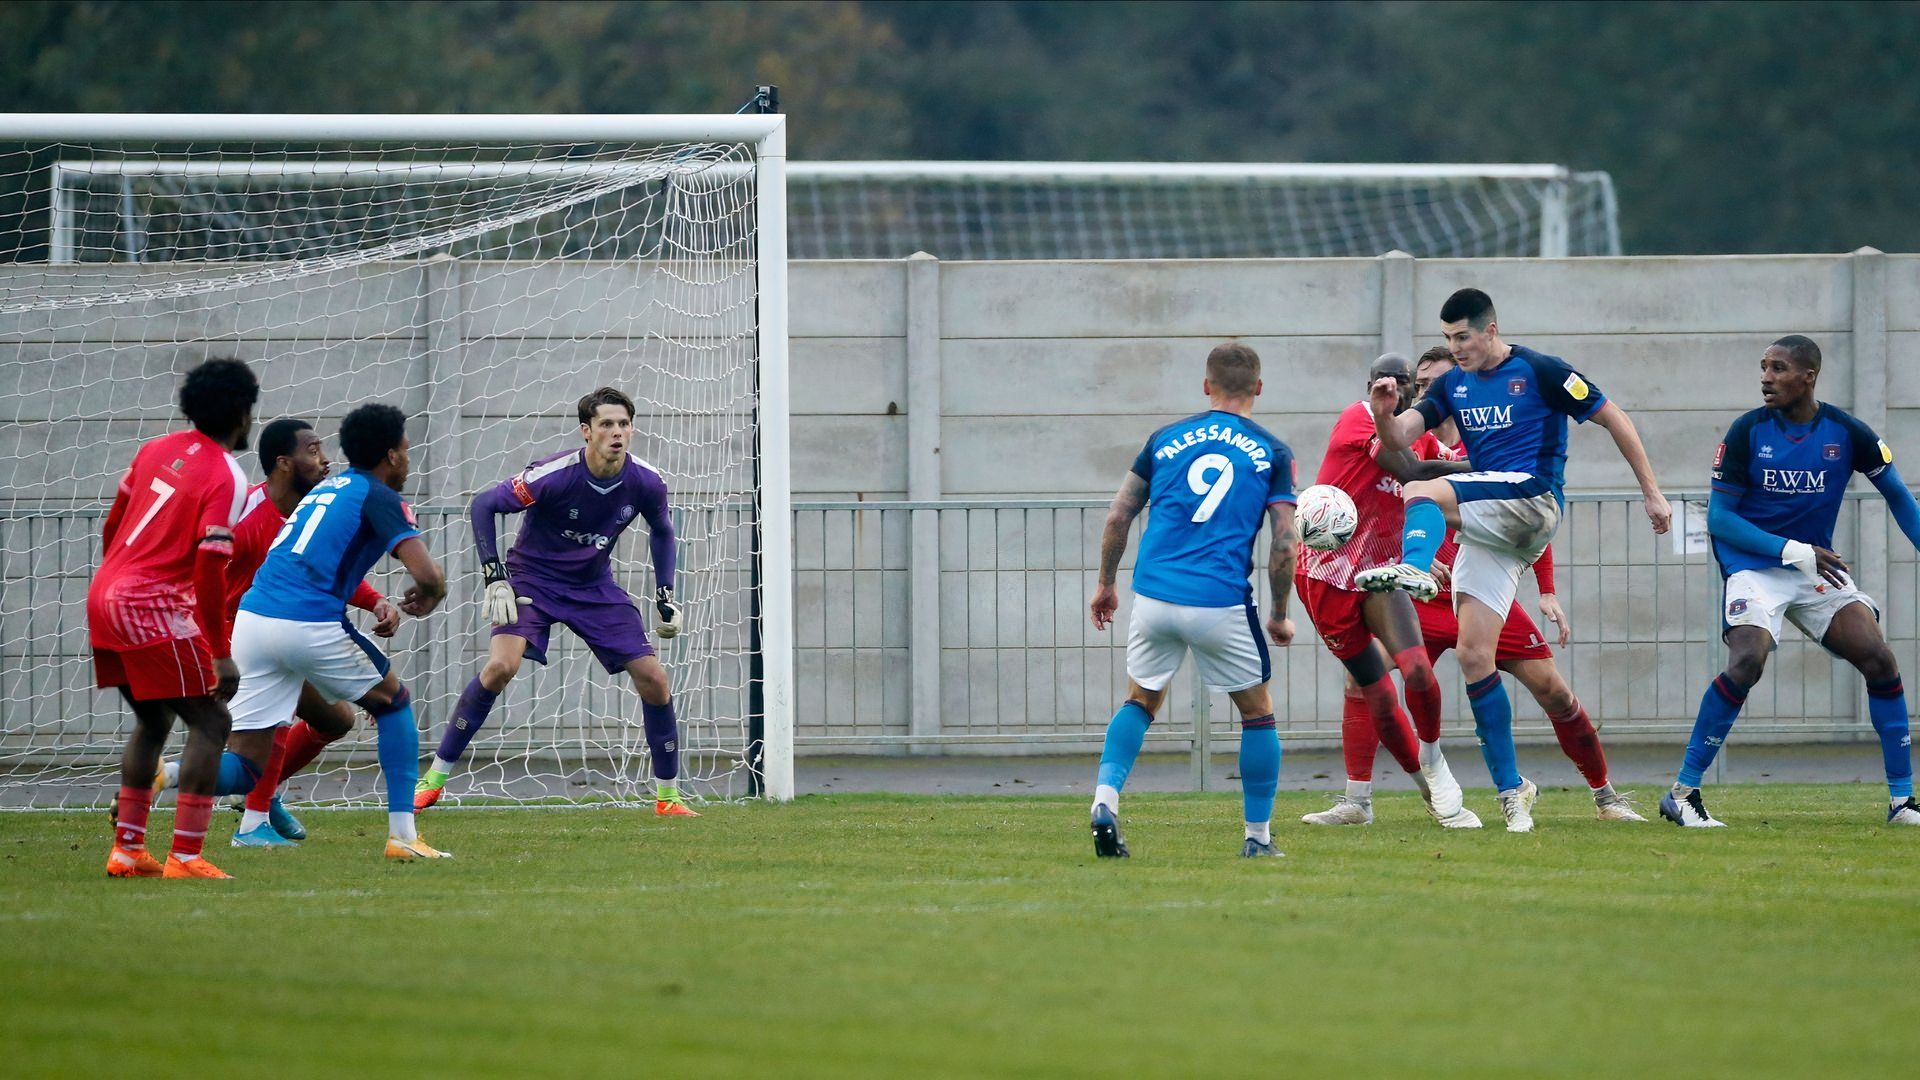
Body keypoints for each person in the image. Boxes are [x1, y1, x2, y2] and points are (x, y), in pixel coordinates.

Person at [1358, 289, 1671, 832]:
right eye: (1449, 338)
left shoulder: (1542, 370)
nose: (1456, 349)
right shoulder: (1454, 386)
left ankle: (1412, 567)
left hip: (1533, 498)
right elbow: (1400, 439)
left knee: (1420, 494)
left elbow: (1612, 416)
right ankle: (1513, 791)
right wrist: (1387, 413)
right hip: (1497, 528)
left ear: (1490, 330)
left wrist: (1651, 491)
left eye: (1463, 337)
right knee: (1474, 656)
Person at [1662, 335, 1920, 827]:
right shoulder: (1745, 432)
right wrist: (1793, 550)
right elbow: (1719, 518)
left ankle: (1902, 802)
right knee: (1747, 661)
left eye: (1778, 368)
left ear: (1809, 377)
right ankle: (1683, 794)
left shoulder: (1847, 432)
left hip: (1813, 571)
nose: (1766, 377)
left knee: (1879, 658)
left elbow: (1900, 499)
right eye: (1763, 367)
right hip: (1755, 568)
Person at [414, 386, 693, 816]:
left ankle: (669, 799)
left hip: (593, 587)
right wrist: (495, 577)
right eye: (606, 424)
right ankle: (433, 781)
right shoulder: (554, 474)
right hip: (533, 580)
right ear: (587, 432)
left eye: (623, 424)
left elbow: (662, 531)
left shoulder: (646, 481)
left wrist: (666, 593)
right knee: (499, 668)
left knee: (654, 678)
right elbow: (484, 504)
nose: (616, 432)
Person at [1086, 342, 1298, 858]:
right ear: (1259, 388)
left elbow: (1118, 517)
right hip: (1218, 600)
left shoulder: (1164, 439)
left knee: (1140, 700)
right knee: (1257, 715)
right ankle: (1258, 838)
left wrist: (1106, 584)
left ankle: (1104, 802)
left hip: (1154, 594)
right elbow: (1286, 542)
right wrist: (1278, 615)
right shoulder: (1272, 451)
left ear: (1206, 386)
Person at [225, 403, 451, 858]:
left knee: (248, 759)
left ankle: (160, 776)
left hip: (251, 623)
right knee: (394, 702)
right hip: (305, 622)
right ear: (392, 455)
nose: (408, 458)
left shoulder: (325, 490)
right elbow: (427, 575)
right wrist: (431, 594)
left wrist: (375, 599)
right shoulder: (379, 496)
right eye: (406, 450)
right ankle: (404, 838)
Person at [1295, 353, 1480, 828]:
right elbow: (1409, 471)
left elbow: (1433, 499)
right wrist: (1475, 463)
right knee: (1370, 689)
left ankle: (1434, 764)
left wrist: (1430, 554)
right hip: (1326, 576)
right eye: (1385, 382)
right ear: (1370, 387)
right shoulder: (1358, 417)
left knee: (1417, 669)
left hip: (1380, 574)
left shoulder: (1429, 440)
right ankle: (1399, 796)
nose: (1394, 389)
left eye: (1403, 383)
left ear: (1416, 393)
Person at [91, 358, 258, 879]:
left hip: (105, 594)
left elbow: (113, 524)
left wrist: (118, 581)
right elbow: (211, 564)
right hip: (150, 602)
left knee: (154, 719)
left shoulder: (153, 450)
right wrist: (220, 652)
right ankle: (185, 856)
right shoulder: (226, 473)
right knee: (212, 720)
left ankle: (128, 850)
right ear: (240, 411)